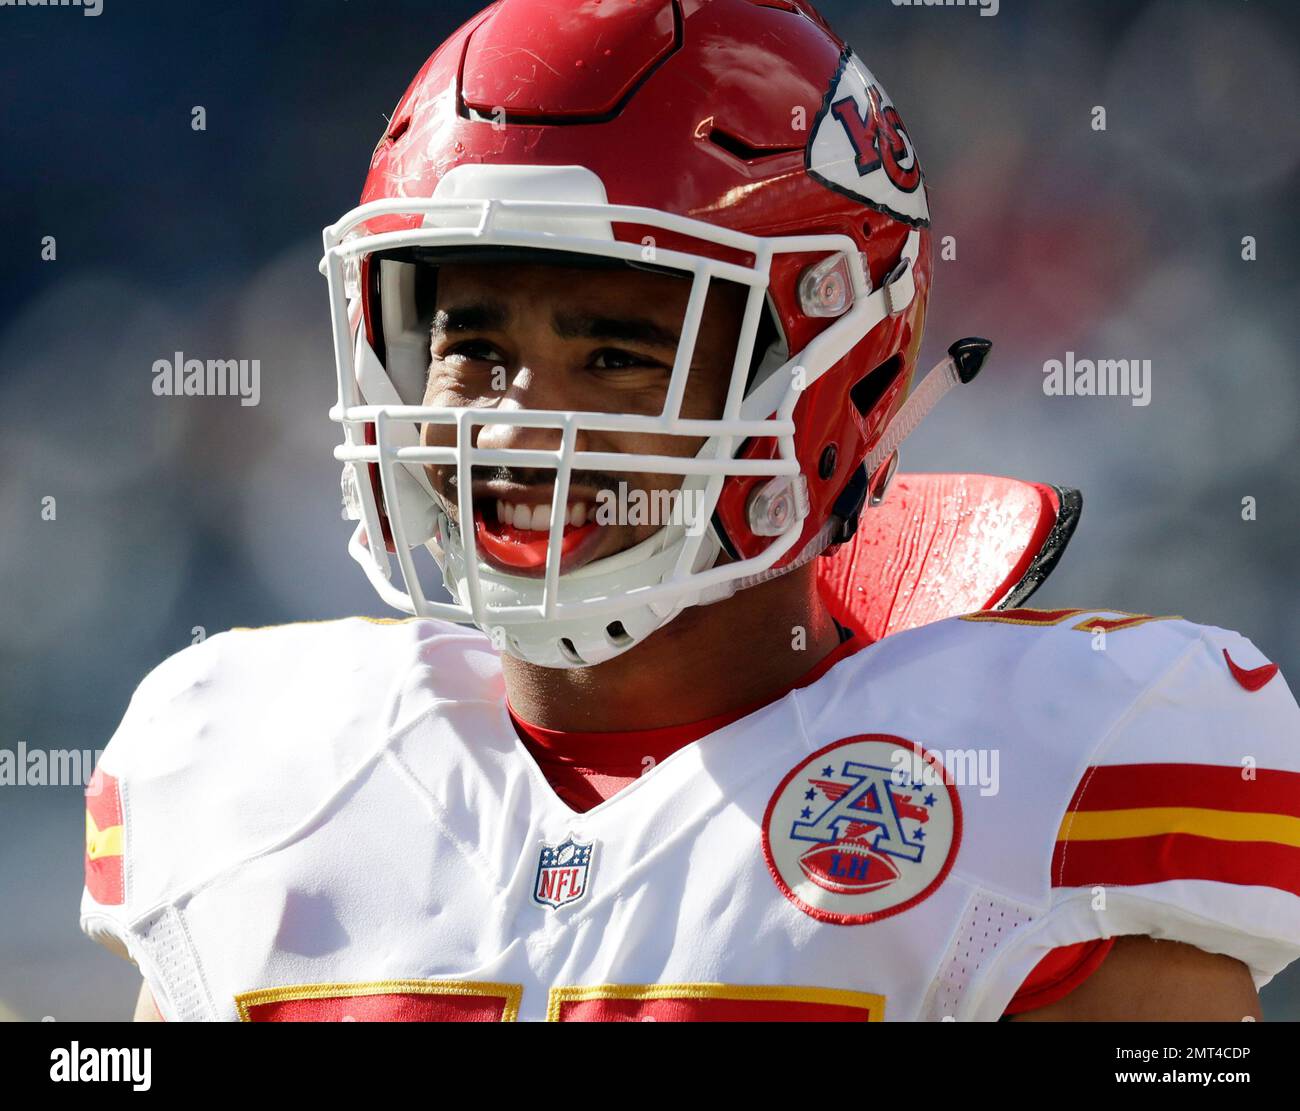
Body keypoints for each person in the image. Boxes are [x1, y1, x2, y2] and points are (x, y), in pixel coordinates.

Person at [83, 0, 1298, 1022]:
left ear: (841, 376)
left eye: (617, 356)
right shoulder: (249, 773)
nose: (514, 425)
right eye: (471, 342)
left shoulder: (1052, 773)